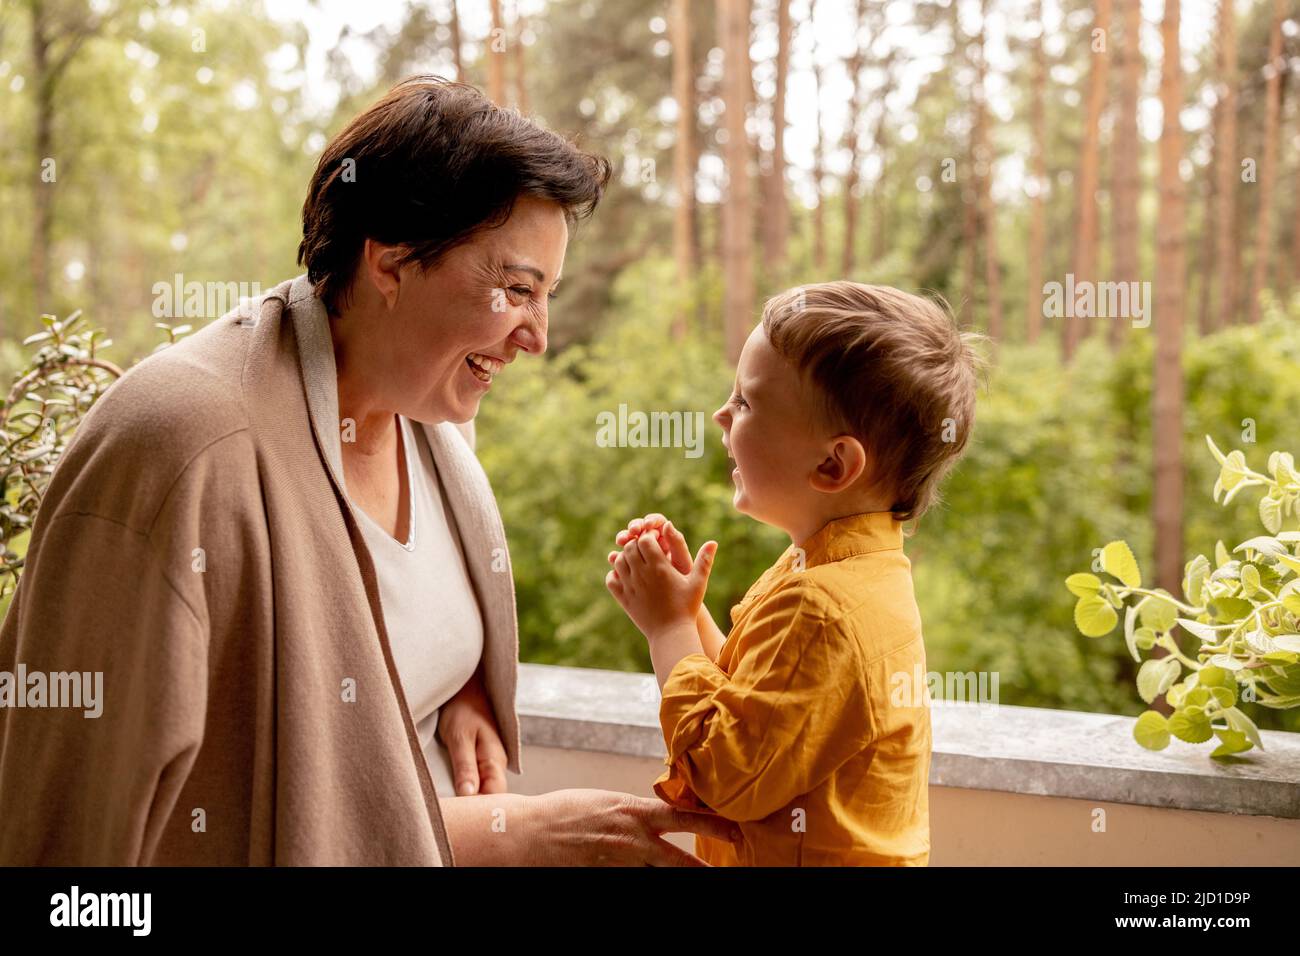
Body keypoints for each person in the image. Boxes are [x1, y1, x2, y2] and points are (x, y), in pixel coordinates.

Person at [0, 76, 737, 866]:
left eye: (547, 294)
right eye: (518, 290)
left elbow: (360, 644)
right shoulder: (180, 447)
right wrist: (508, 831)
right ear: (390, 263)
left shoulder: (427, 418)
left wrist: (455, 678)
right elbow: (66, 835)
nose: (538, 337)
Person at [605, 281, 984, 865]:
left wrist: (665, 630)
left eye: (747, 403)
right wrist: (685, 610)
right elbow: (759, 707)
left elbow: (724, 771)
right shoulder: (855, 569)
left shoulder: (821, 605)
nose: (720, 414)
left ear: (833, 464)